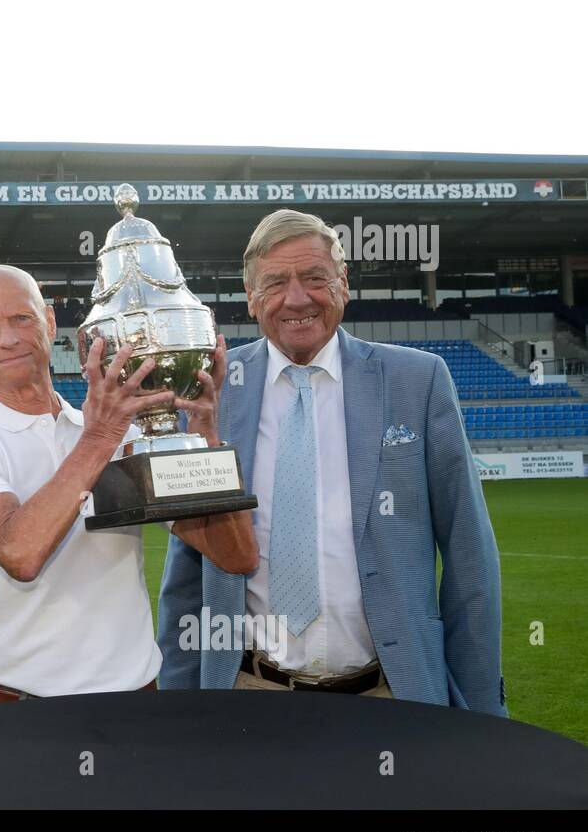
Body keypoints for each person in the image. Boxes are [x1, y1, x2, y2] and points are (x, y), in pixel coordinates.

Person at [158, 209, 506, 714]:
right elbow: (187, 566)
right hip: (247, 694)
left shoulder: (418, 381)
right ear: (251, 297)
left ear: (343, 284)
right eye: (275, 282)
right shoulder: (212, 390)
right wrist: (179, 703)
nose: (297, 298)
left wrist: (480, 711)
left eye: (315, 278)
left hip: (390, 696)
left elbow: (470, 558)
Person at [0, 265, 257, 707]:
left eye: (21, 319)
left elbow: (235, 555)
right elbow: (20, 553)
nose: (7, 339)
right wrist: (101, 435)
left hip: (133, 705)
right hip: (13, 714)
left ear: (48, 321)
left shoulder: (120, 432)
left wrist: (204, 435)